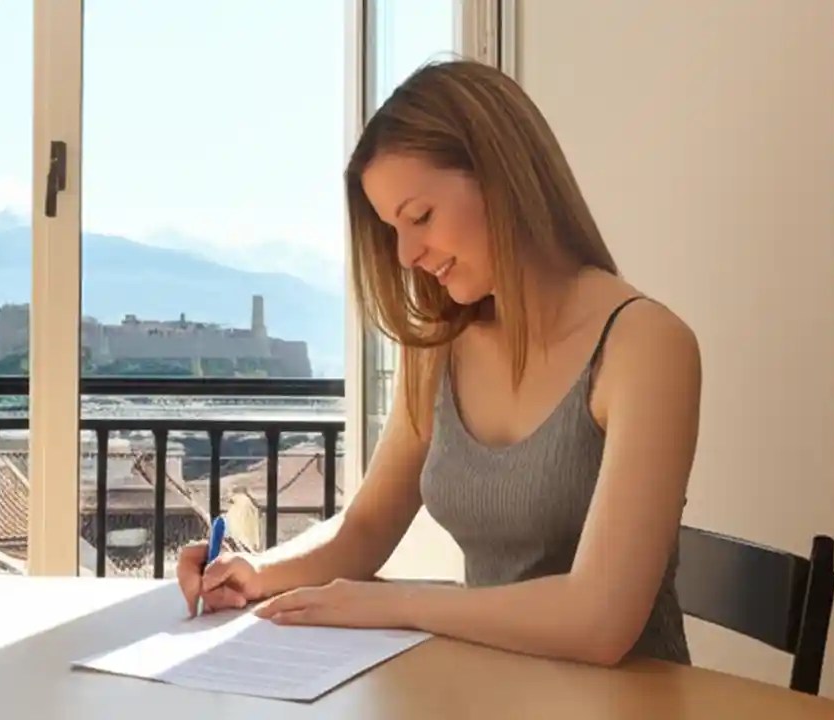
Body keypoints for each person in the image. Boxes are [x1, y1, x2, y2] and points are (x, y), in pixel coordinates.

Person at [176, 59, 700, 667]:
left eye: (419, 217)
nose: (405, 254)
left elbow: (599, 622)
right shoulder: (439, 351)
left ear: (502, 177)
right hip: (490, 691)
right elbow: (365, 528)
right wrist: (255, 569)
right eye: (393, 229)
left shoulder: (646, 347)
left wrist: (394, 604)